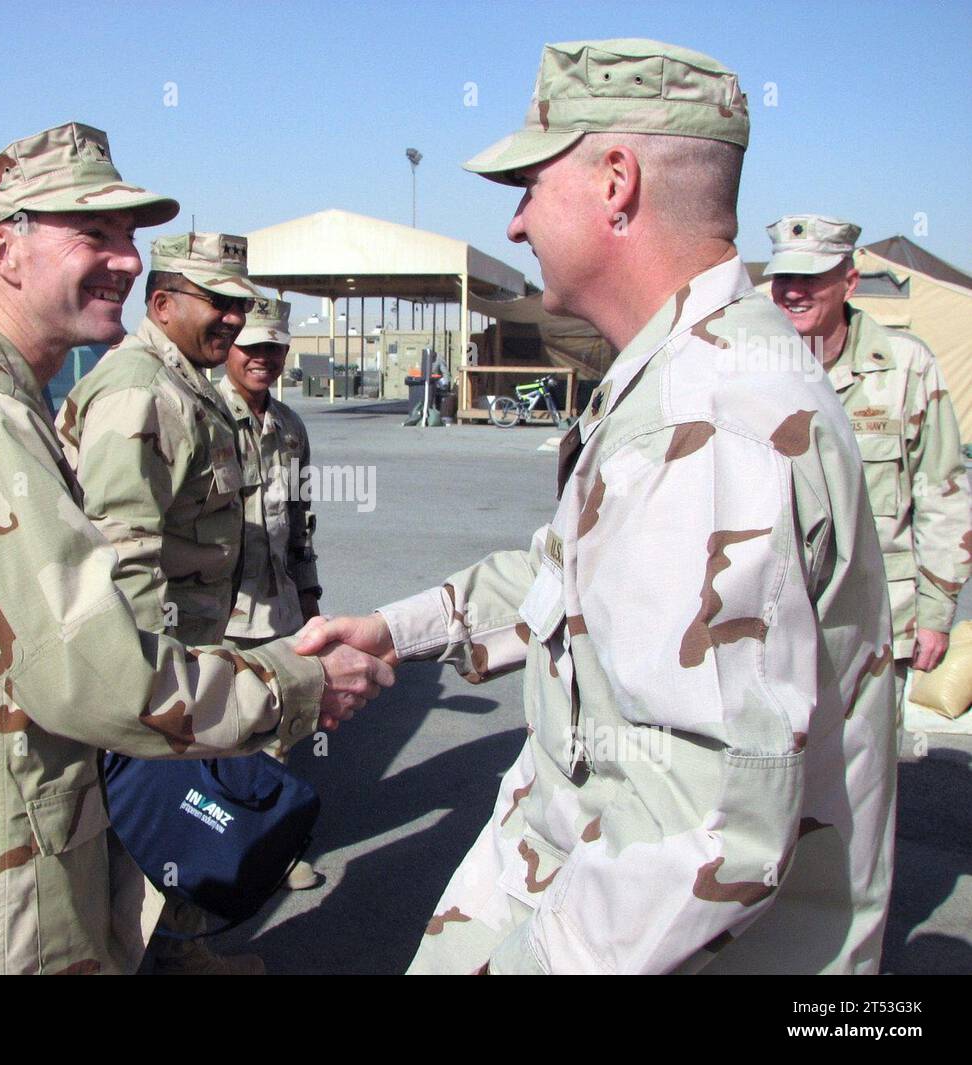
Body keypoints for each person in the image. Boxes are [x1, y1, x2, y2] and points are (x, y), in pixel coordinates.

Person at [297, 39, 897, 974]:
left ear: (616, 180)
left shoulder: (705, 419)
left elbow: (701, 836)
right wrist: (394, 629)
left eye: (531, 183)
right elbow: (567, 582)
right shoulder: (679, 377)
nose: (517, 221)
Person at [0, 122, 392, 975]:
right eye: (95, 234)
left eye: (129, 236)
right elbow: (100, 676)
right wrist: (303, 680)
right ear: (4, 249)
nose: (127, 259)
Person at [57, 231, 273, 973]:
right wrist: (153, 701)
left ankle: (185, 954)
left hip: (187, 660)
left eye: (240, 305)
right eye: (219, 303)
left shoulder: (185, 384)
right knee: (129, 852)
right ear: (163, 302)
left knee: (172, 840)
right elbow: (124, 561)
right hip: (152, 671)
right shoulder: (138, 392)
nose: (235, 321)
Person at [765, 214, 972, 714]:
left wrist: (937, 614)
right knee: (772, 779)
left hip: (877, 622)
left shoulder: (906, 368)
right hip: (771, 617)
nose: (794, 292)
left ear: (849, 281)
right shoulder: (752, 365)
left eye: (811, 278)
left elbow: (941, 492)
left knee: (867, 782)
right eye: (784, 278)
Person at [218, 297, 323, 889]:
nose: (264, 358)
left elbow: (302, 522)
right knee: (218, 733)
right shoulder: (203, 416)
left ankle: (272, 849)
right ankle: (216, 848)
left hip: (278, 605)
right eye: (252, 347)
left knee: (280, 729)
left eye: (275, 348)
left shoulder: (290, 427)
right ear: (229, 349)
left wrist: (309, 598)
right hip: (217, 613)